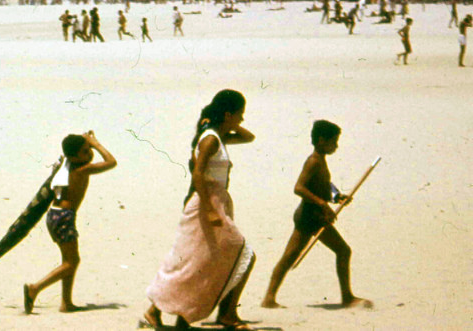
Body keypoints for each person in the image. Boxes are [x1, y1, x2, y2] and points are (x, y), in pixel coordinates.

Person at [143, 89, 256, 331]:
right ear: (228, 114)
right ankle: (226, 315)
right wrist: (211, 211)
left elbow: (249, 137)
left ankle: (168, 313)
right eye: (239, 114)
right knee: (242, 255)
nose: (242, 120)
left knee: (197, 262)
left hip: (216, 202)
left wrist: (224, 123)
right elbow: (198, 174)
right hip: (206, 205)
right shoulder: (211, 139)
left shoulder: (217, 136)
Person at [261, 120, 371, 310]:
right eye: (333, 141)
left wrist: (336, 197)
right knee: (336, 252)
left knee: (293, 256)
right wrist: (322, 204)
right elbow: (299, 188)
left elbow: (323, 184)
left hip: (315, 216)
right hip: (309, 216)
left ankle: (269, 298)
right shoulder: (313, 161)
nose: (336, 146)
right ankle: (346, 297)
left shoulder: (320, 160)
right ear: (321, 140)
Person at [23, 131, 116, 314]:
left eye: (88, 149)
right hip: (64, 217)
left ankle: (66, 302)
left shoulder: (66, 165)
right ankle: (35, 288)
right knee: (71, 262)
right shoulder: (82, 169)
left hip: (56, 216)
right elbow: (111, 162)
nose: (89, 154)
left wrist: (86, 142)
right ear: (74, 156)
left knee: (69, 260)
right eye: (85, 151)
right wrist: (96, 143)